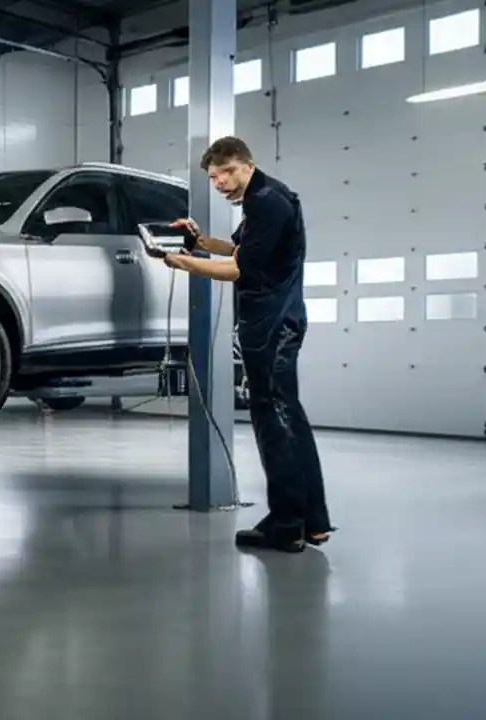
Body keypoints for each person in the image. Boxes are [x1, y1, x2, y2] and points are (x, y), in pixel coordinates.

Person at [159, 136, 332, 553]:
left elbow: (236, 269)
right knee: (290, 416)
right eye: (213, 177)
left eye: (226, 173)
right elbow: (240, 249)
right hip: (279, 323)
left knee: (273, 421)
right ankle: (313, 522)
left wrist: (180, 262)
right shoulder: (266, 198)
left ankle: (287, 523)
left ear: (247, 165)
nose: (219, 183)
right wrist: (199, 242)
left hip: (271, 328)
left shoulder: (266, 202)